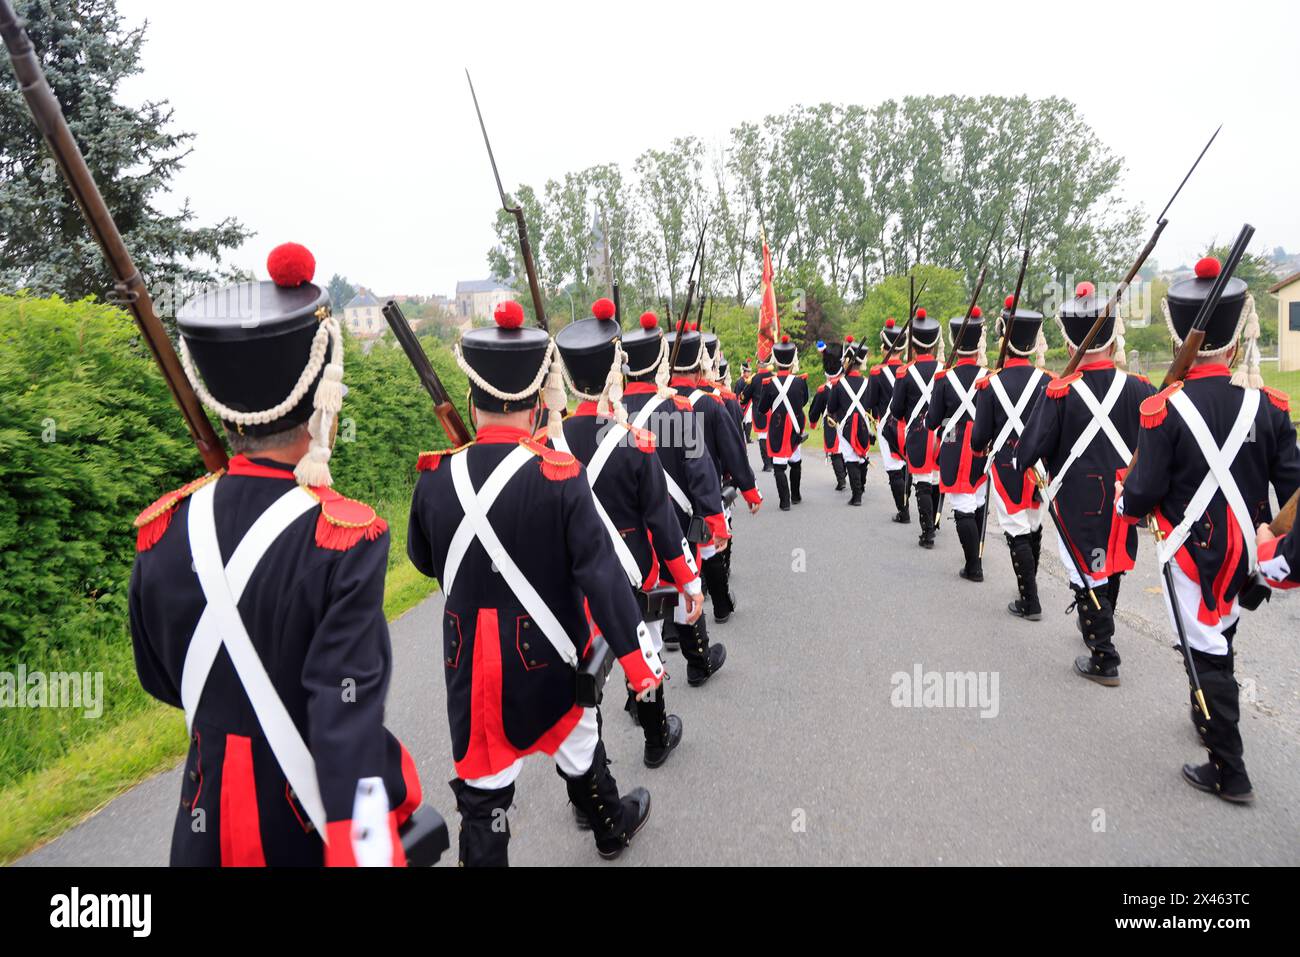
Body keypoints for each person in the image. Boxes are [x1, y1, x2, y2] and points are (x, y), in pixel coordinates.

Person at [129, 243, 420, 867]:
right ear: (319, 392)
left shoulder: (163, 528)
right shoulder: (346, 536)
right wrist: (367, 851)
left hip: (200, 833)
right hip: (303, 833)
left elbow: (161, 678)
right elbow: (345, 719)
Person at [407, 299, 662, 864]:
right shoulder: (559, 476)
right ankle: (610, 828)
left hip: (471, 667)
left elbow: (424, 561)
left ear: (472, 399)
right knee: (579, 744)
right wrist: (640, 665)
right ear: (534, 400)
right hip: (550, 656)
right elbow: (600, 576)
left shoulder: (433, 478)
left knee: (484, 794)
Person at [1119, 257, 1300, 802]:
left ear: (1180, 330)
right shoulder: (1268, 407)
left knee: (1204, 645)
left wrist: (1128, 496)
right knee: (1219, 632)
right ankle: (1207, 710)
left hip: (1191, 550)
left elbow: (1143, 495)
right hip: (1246, 547)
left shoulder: (1162, 409)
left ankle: (1229, 766)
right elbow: (1292, 487)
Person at [553, 298, 705, 768]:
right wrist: (689, 581)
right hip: (634, 569)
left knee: (581, 672)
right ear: (614, 372)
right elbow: (661, 524)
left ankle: (588, 785)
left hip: (574, 583)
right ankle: (656, 738)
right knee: (647, 646)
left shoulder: (548, 446)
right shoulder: (635, 445)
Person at [1017, 281, 1155, 687]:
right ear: (1114, 336)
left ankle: (1104, 654)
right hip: (1123, 495)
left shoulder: (1058, 392)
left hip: (1077, 498)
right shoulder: (1142, 389)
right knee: (1107, 564)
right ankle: (1098, 624)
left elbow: (1027, 451)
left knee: (1086, 570)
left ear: (1070, 340)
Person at [620, 313, 732, 682]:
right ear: (660, 362)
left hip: (624, 530)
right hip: (678, 518)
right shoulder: (679, 409)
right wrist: (715, 520)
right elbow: (701, 474)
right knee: (686, 580)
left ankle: (643, 686)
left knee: (637, 597)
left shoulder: (612, 414)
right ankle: (698, 662)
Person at [666, 324, 763, 621]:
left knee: (669, 553)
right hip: (706, 487)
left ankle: (672, 628)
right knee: (709, 551)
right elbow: (733, 450)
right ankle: (721, 606)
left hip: (668, 493)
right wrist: (749, 489)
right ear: (699, 365)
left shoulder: (657, 404)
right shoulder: (712, 403)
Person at [971, 300, 1053, 620]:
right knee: (1033, 523)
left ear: (1004, 339)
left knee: (1016, 528)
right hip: (1042, 466)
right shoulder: (1048, 381)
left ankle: (1029, 600)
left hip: (1007, 463)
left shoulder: (991, 384)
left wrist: (981, 451)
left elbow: (979, 438)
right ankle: (1030, 585)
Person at [927, 310, 990, 581]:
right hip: (983, 445)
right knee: (976, 499)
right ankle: (975, 557)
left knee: (963, 504)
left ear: (954, 340)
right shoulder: (990, 375)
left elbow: (931, 422)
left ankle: (973, 566)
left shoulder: (944, 379)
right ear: (979, 343)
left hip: (954, 445)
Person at [888, 310, 945, 547]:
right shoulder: (944, 368)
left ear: (913, 344)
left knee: (922, 482)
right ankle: (934, 521)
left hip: (918, 433)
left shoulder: (904, 372)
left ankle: (928, 532)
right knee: (934, 480)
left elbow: (897, 409)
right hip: (942, 435)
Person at [754, 335, 810, 511]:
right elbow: (804, 402)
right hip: (795, 427)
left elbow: (762, 409)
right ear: (793, 360)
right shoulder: (800, 382)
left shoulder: (769, 384)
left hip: (777, 429)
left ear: (775, 361)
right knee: (795, 461)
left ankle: (784, 502)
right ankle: (796, 495)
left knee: (779, 466)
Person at [868, 318, 910, 522]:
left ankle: (904, 511)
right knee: (906, 466)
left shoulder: (877, 373)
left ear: (886, 347)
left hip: (887, 425)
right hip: (910, 426)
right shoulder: (911, 369)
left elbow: (870, 401)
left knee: (894, 469)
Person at [828, 338, 875, 507]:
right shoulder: (868, 383)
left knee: (851, 458)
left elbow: (831, 406)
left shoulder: (839, 384)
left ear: (847, 362)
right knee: (863, 457)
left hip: (846, 426)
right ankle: (861, 486)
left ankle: (857, 496)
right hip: (864, 425)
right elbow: (871, 405)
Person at [744, 356, 776, 471]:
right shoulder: (775, 377)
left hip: (760, 413)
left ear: (758, 363)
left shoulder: (754, 379)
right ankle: (773, 462)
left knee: (763, 437)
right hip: (774, 412)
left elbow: (744, 397)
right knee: (772, 436)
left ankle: (767, 464)